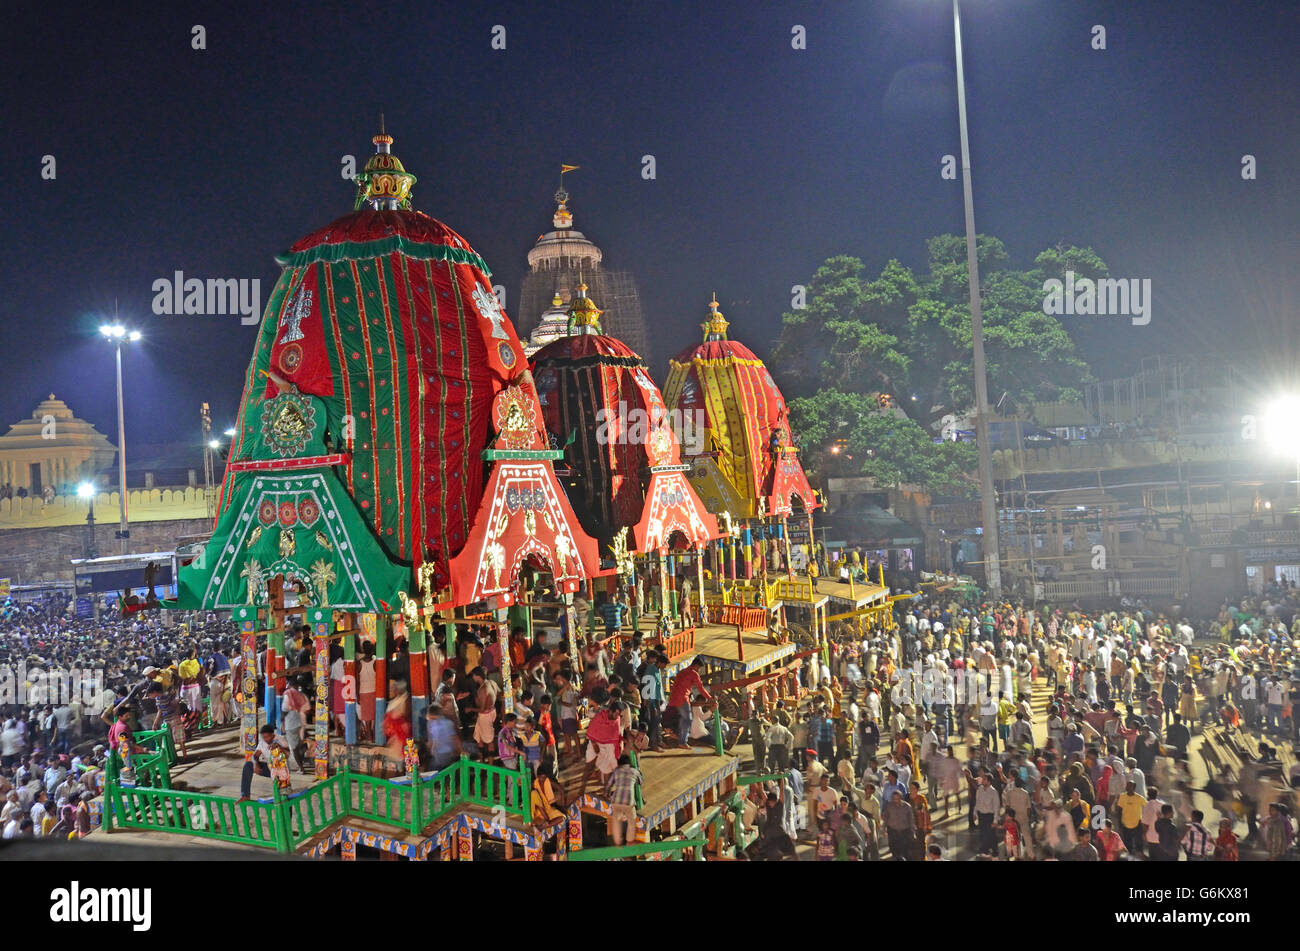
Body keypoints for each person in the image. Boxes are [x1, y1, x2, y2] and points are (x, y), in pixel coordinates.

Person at [667, 657, 711, 749]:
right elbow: (700, 688)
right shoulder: (694, 674)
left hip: (672, 699)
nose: (698, 670)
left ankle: (678, 736)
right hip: (682, 699)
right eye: (699, 668)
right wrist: (709, 698)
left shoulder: (682, 671)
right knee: (687, 720)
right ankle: (682, 742)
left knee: (680, 719)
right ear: (696, 666)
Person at [238, 724, 287, 802]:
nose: (266, 739)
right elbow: (255, 756)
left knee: (284, 796)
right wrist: (255, 764)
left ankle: (287, 812)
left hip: (282, 771)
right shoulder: (262, 743)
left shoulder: (281, 740)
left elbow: (288, 754)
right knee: (248, 765)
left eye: (268, 737)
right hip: (270, 769)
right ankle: (245, 795)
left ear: (273, 734)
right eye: (264, 737)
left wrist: (279, 747)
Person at [606, 755, 642, 848]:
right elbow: (640, 782)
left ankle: (618, 843)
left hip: (616, 801)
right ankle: (629, 841)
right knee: (631, 821)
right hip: (628, 802)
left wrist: (607, 794)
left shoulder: (616, 771)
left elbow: (609, 785)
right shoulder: (634, 771)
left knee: (616, 821)